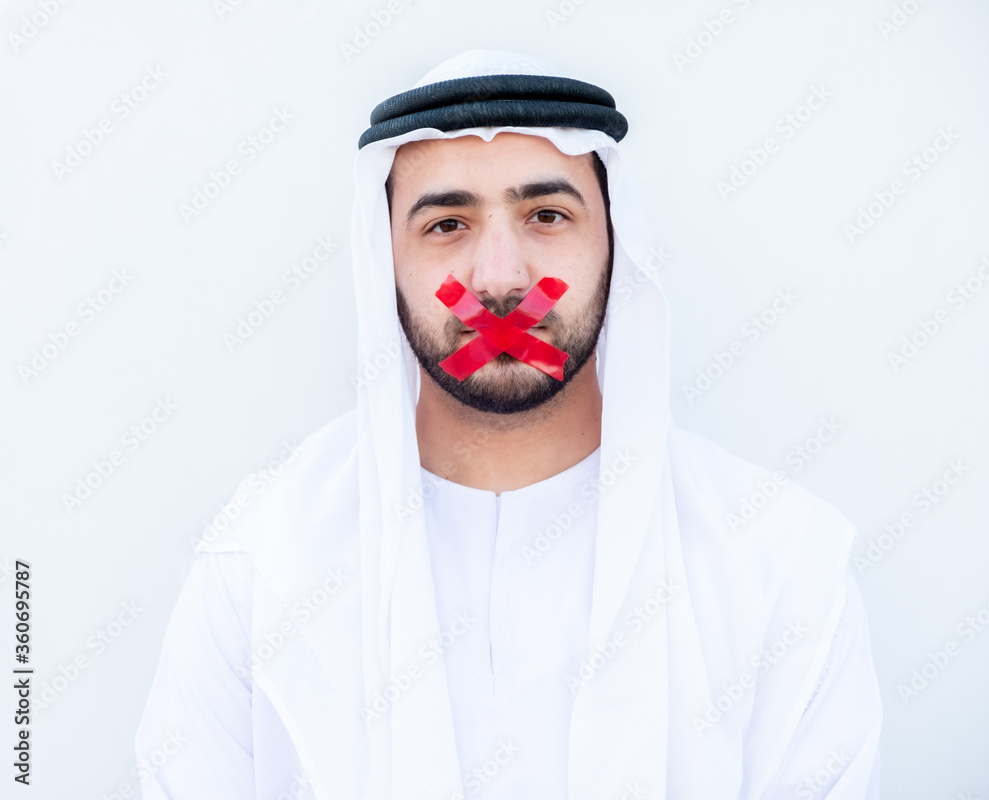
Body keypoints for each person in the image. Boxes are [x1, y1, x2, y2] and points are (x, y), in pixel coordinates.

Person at [135, 50, 882, 799]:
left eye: (546, 216)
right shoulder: (261, 566)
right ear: (384, 259)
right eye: (447, 223)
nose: (499, 279)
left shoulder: (780, 564)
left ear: (616, 247)